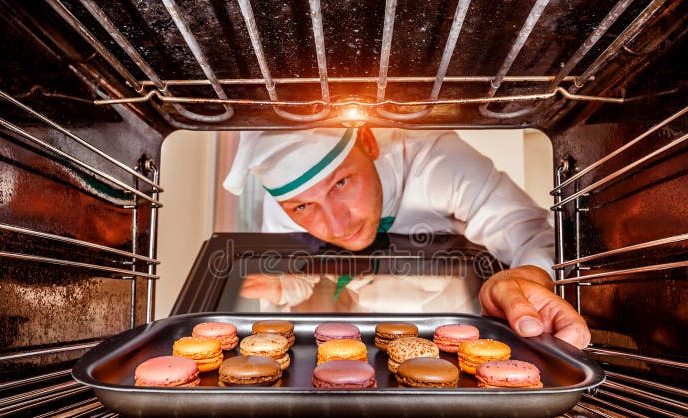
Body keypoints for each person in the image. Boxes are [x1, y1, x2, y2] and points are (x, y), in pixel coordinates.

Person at [224, 127, 591, 349]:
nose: (335, 225)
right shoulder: (282, 208)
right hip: (356, 333)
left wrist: (524, 279)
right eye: (303, 207)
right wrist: (280, 289)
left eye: (341, 182)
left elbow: (531, 234)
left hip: (452, 327)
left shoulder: (438, 163)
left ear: (367, 142)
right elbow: (299, 277)